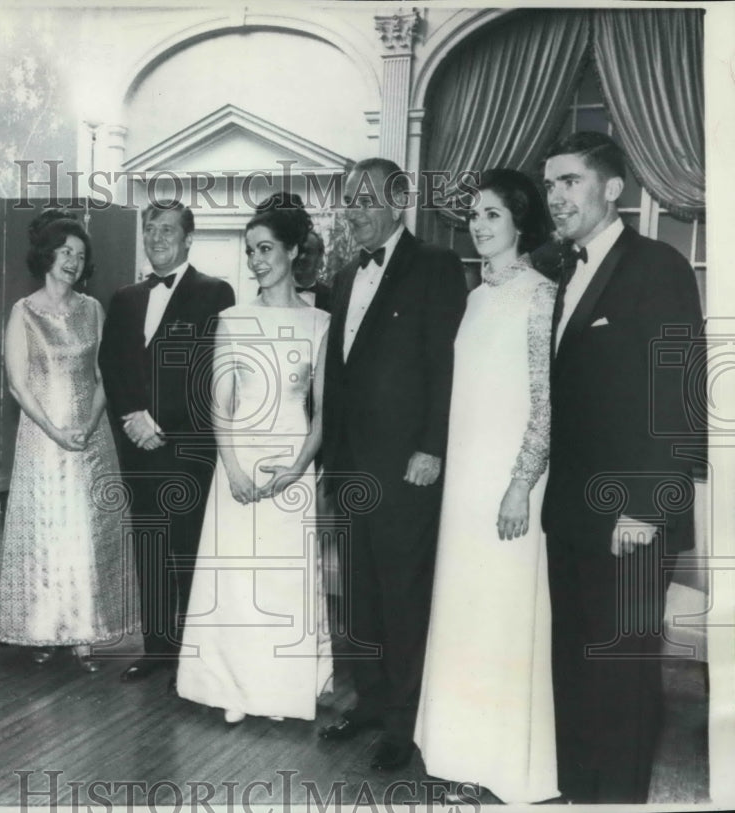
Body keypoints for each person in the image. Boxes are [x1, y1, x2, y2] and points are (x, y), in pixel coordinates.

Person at [539, 132, 703, 803]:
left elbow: (677, 394)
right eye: (550, 185)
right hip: (573, 515)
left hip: (632, 518)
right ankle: (581, 792)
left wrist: (644, 506)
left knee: (624, 677)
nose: (555, 197)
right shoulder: (562, 272)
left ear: (613, 189)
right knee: (576, 667)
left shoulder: (656, 266)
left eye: (570, 181)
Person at [414, 169, 558, 802]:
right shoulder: (473, 299)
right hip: (465, 485)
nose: (478, 224)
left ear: (521, 223)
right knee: (465, 614)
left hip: (510, 484)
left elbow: (545, 403)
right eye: (474, 214)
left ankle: (504, 767)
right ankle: (457, 754)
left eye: (493, 214)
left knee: (503, 618)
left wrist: (520, 485)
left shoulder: (542, 297)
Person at [319, 158, 466, 772]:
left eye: (363, 199)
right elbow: (339, 375)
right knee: (360, 597)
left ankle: (404, 725)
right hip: (349, 467)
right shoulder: (346, 273)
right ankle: (373, 703)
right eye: (347, 200)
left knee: (403, 597)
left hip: (406, 469)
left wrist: (431, 447)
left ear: (400, 201)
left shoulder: (435, 266)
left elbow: (445, 365)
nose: (351, 211)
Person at [177, 195, 333, 723]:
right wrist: (234, 468)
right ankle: (232, 689)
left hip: (293, 462)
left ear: (293, 250)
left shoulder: (320, 324)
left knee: (283, 578)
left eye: (266, 249)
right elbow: (219, 404)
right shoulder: (232, 319)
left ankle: (279, 691)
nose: (256, 260)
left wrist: (296, 468)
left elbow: (323, 415)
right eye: (250, 251)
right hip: (238, 462)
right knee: (237, 577)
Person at [99, 200, 235, 689]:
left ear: (188, 237)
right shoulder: (125, 296)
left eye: (168, 230)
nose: (158, 237)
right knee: (150, 547)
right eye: (151, 229)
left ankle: (194, 653)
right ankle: (157, 648)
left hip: (187, 447)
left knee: (187, 550)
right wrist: (133, 419)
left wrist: (161, 421)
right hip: (137, 446)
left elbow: (209, 372)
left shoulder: (215, 292)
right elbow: (112, 367)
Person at [0, 218, 128, 669]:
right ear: (47, 254)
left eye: (80, 255)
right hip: (42, 437)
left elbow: (109, 375)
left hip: (90, 436)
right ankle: (42, 629)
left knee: (86, 532)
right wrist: (54, 430)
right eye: (66, 252)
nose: (74, 261)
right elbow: (17, 385)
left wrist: (88, 424)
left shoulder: (92, 309)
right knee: (47, 531)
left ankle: (85, 631)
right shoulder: (23, 312)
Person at [293, 231, 333, 312]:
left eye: (309, 252)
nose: (302, 257)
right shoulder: (271, 293)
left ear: (319, 258)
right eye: (299, 250)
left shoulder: (331, 297)